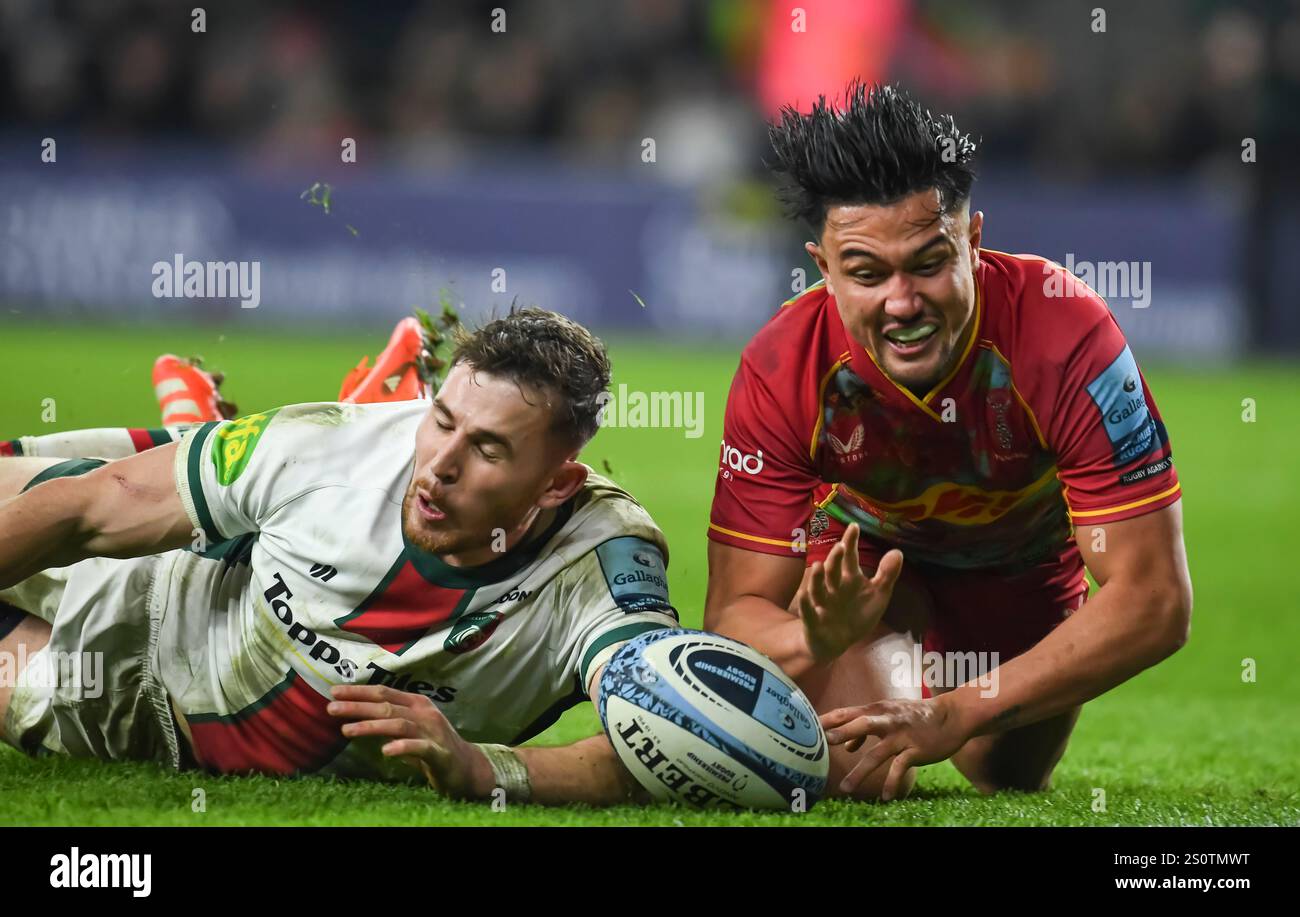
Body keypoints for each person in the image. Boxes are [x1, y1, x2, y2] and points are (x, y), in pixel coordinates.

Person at [704, 83, 1193, 801]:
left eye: (928, 263)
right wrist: (812, 637)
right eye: (867, 273)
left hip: (1021, 564)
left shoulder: (1067, 335)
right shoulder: (782, 366)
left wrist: (957, 710)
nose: (902, 303)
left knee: (1004, 773)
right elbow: (735, 612)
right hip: (865, 564)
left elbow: (1156, 600)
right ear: (824, 268)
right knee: (855, 769)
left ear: (973, 239)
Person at [0, 308, 680, 805]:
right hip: (164, 577)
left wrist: (485, 769)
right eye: (440, 420)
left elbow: (655, 743)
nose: (439, 465)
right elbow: (91, 506)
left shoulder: (603, 564)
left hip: (128, 714)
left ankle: (202, 422)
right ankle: (206, 433)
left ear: (559, 482)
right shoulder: (333, 447)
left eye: (489, 449)